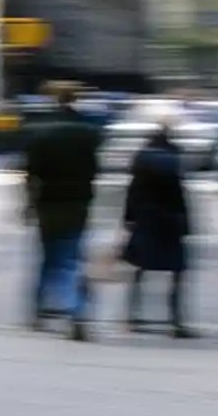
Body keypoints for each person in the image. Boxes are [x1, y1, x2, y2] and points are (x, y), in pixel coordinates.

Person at [21, 82, 104, 341]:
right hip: (78, 202)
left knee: (47, 259)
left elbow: (30, 173)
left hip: (48, 202)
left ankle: (38, 311)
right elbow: (95, 170)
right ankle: (76, 311)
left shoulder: (41, 132)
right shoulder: (89, 133)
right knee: (71, 259)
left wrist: (28, 204)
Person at [122, 117, 197, 338]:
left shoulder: (141, 160)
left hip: (145, 221)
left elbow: (132, 193)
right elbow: (179, 197)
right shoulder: (173, 160)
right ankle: (176, 320)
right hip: (170, 223)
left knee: (140, 269)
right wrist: (187, 225)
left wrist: (128, 219)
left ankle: (132, 315)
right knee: (177, 272)